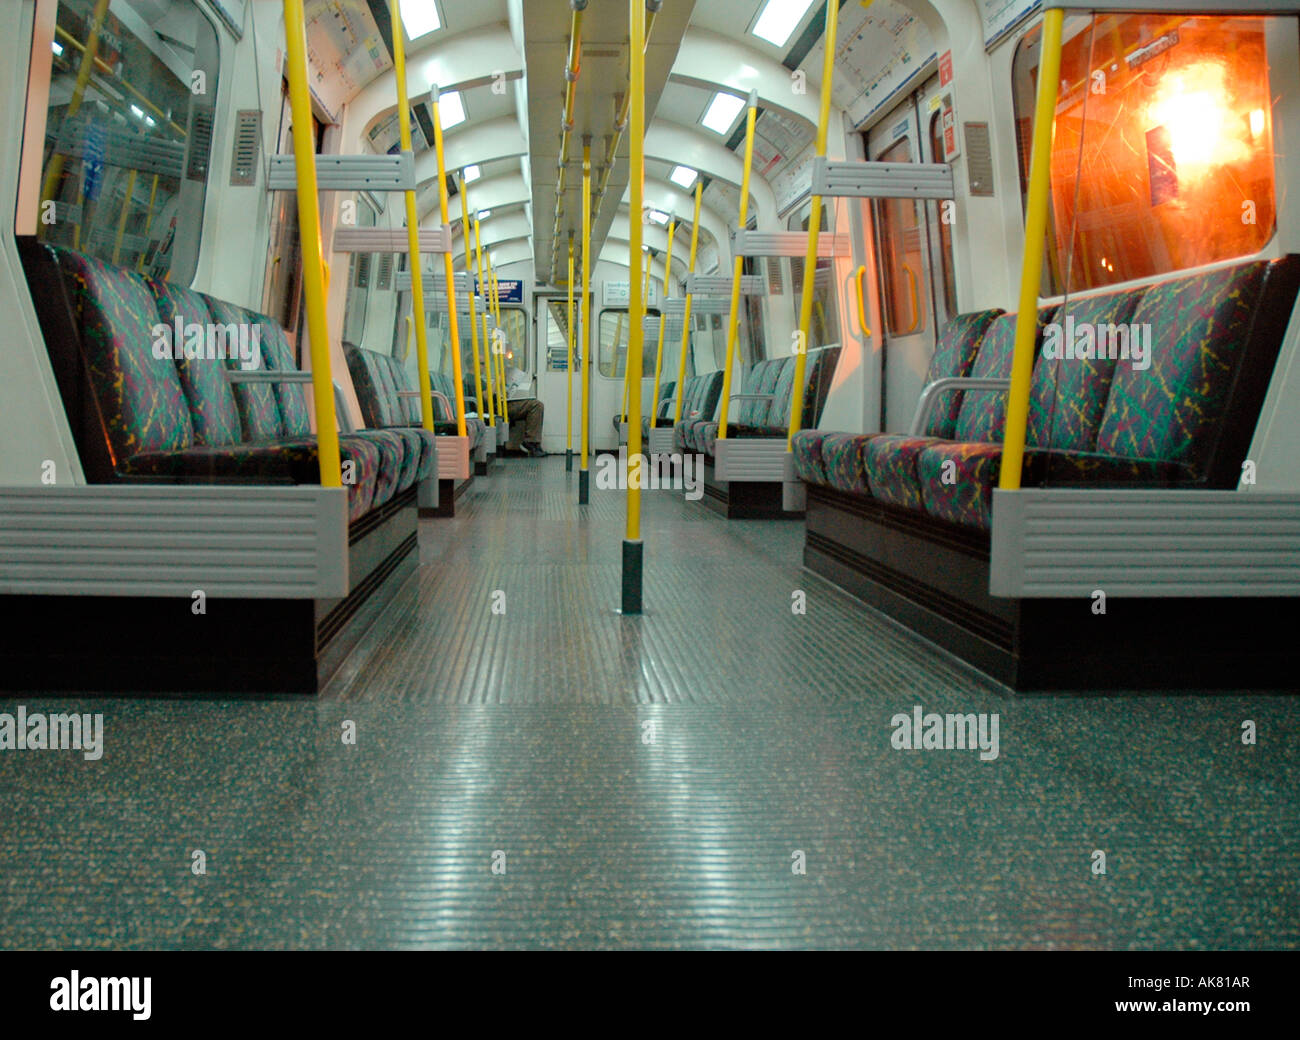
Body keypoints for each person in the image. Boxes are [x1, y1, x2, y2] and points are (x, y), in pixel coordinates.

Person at [505, 362, 545, 456]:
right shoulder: (472, 379)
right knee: (536, 405)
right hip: (498, 407)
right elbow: (486, 397)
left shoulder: (479, 379)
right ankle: (530, 442)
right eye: (482, 364)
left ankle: (533, 442)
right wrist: (499, 379)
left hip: (503, 403)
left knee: (537, 404)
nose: (484, 366)